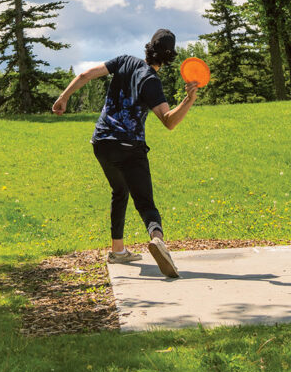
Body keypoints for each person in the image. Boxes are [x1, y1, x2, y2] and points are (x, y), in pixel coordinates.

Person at [51, 28, 200, 279]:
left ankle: (118, 251)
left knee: (120, 191)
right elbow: (168, 121)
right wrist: (188, 100)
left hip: (101, 143)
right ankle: (157, 240)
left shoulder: (124, 61)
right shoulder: (151, 81)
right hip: (129, 147)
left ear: (148, 47)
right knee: (145, 202)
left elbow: (86, 73)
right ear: (169, 57)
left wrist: (63, 97)